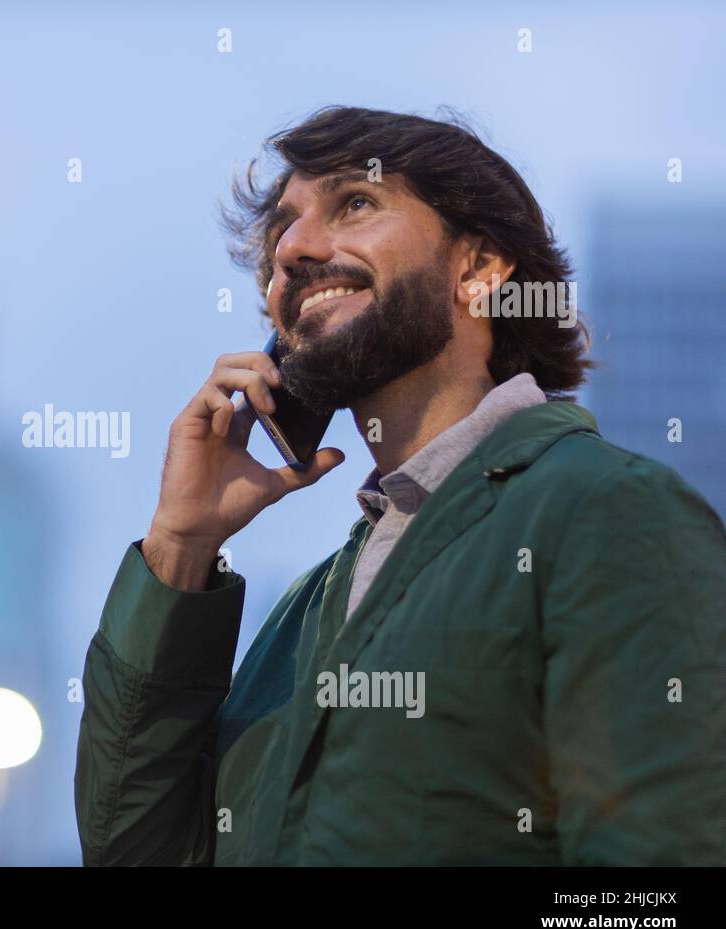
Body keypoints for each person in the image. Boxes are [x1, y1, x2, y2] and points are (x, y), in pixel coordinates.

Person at [74, 107, 726, 866]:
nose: (293, 249)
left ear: (479, 270)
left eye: (354, 203)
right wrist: (181, 545)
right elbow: (132, 853)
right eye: (283, 230)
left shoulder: (607, 511)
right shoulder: (306, 611)